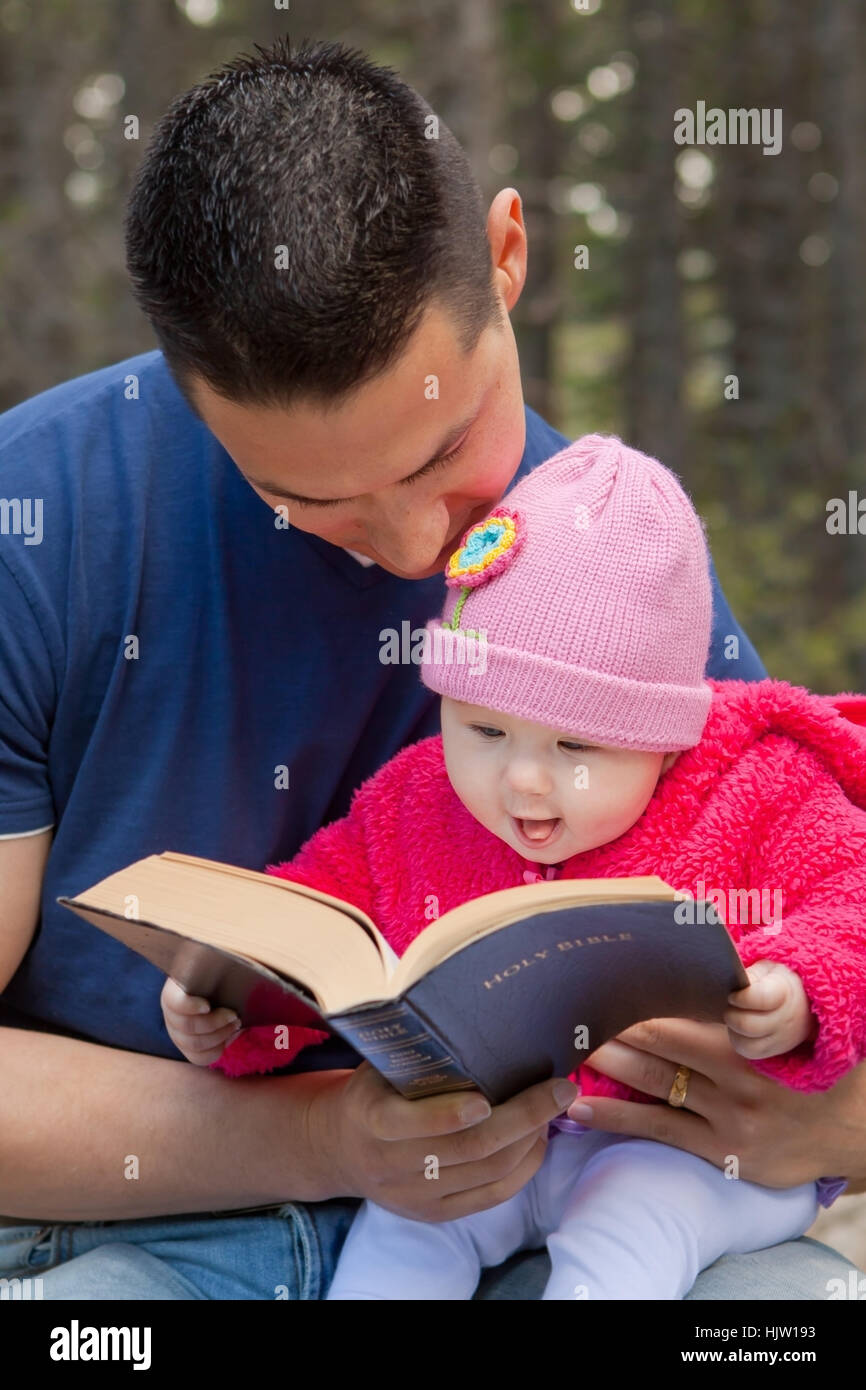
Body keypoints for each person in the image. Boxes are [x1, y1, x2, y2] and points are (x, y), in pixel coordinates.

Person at [1, 36, 863, 1302]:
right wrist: (329, 1135)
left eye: (444, 448)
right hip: (133, 1237)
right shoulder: (37, 520)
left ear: (509, 257)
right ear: (189, 395)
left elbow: (815, 893)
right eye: (310, 498)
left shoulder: (614, 566)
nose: (417, 548)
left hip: (541, 1229)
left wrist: (836, 1125)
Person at [163, 435, 864, 1299]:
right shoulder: (417, 798)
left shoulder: (754, 785)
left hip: (695, 1160)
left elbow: (850, 893)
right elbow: (320, 916)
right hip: (503, 1149)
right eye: (483, 731)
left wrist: (803, 987)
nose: (522, 781)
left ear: (666, 734)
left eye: (577, 745)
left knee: (628, 1222)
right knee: (409, 1223)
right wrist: (240, 995)